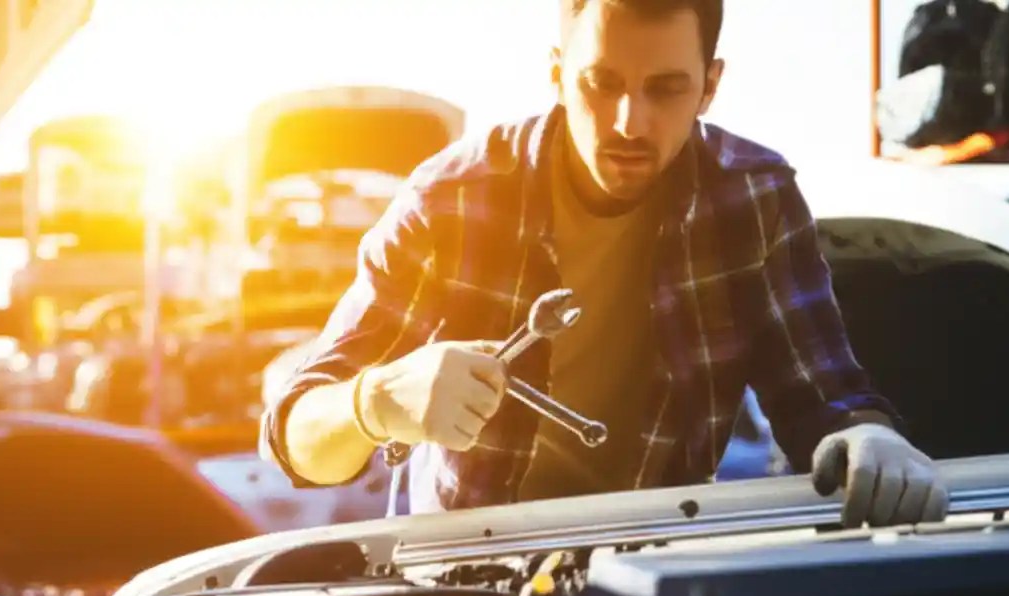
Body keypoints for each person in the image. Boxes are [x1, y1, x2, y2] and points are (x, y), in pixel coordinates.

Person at [260, 0, 949, 526]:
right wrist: (374, 403)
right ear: (557, 74)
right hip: (463, 578)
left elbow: (823, 399)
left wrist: (867, 438)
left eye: (665, 90)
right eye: (601, 83)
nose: (627, 121)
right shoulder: (451, 200)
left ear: (710, 87)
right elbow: (292, 441)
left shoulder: (755, 199)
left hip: (654, 572)